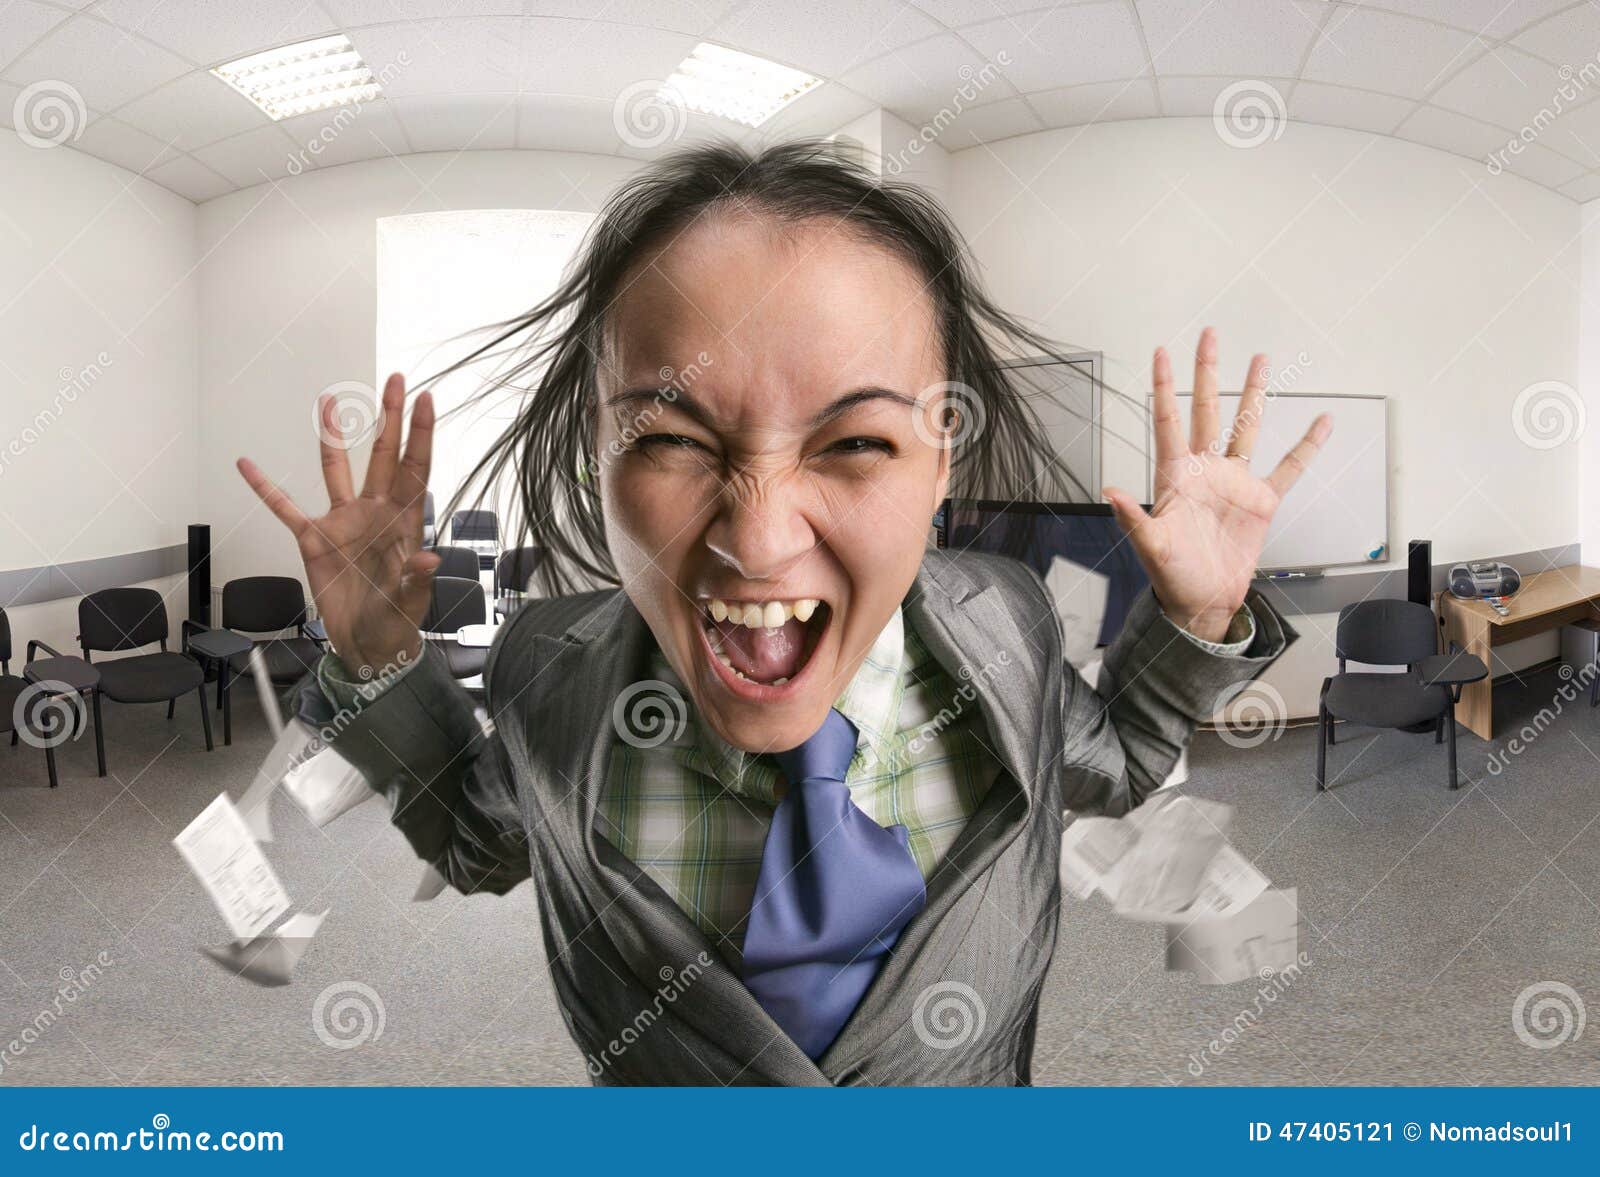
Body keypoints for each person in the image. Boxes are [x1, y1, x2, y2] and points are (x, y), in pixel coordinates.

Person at [237, 140, 1329, 1086]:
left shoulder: (1009, 622)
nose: (755, 542)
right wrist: (379, 653)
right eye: (669, 439)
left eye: (856, 442)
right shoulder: (544, 671)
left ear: (939, 457)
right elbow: (477, 843)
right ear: (598, 457)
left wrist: (1190, 612)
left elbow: (1118, 764)